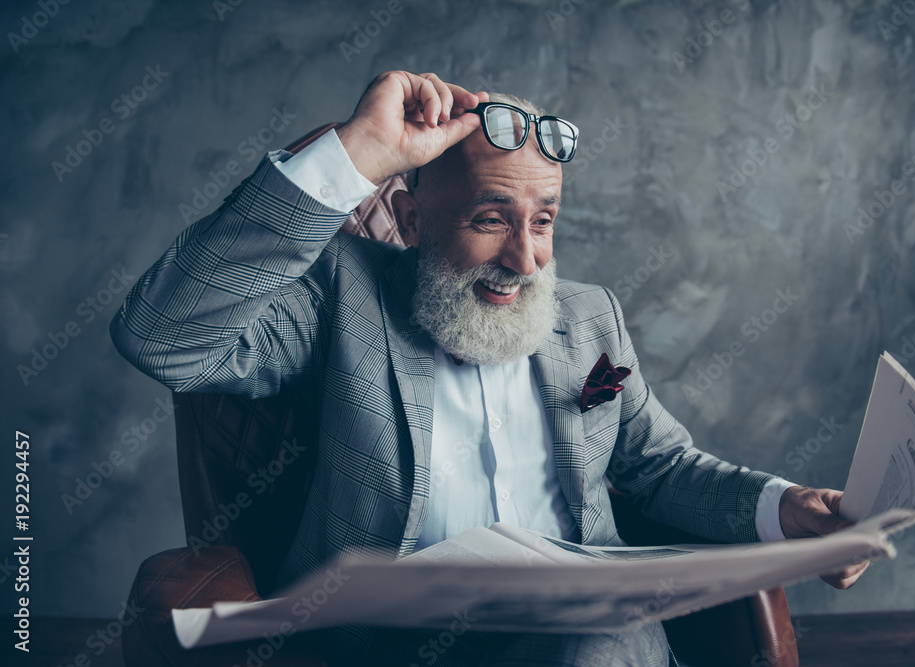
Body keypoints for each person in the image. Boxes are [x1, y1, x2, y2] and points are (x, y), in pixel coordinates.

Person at [110, 70, 867, 666]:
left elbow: (663, 468)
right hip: (383, 648)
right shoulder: (345, 294)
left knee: (604, 643)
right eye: (491, 219)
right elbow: (162, 338)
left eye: (543, 222)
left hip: (580, 639)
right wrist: (353, 155)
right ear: (410, 221)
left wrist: (784, 506)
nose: (526, 258)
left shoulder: (590, 316)